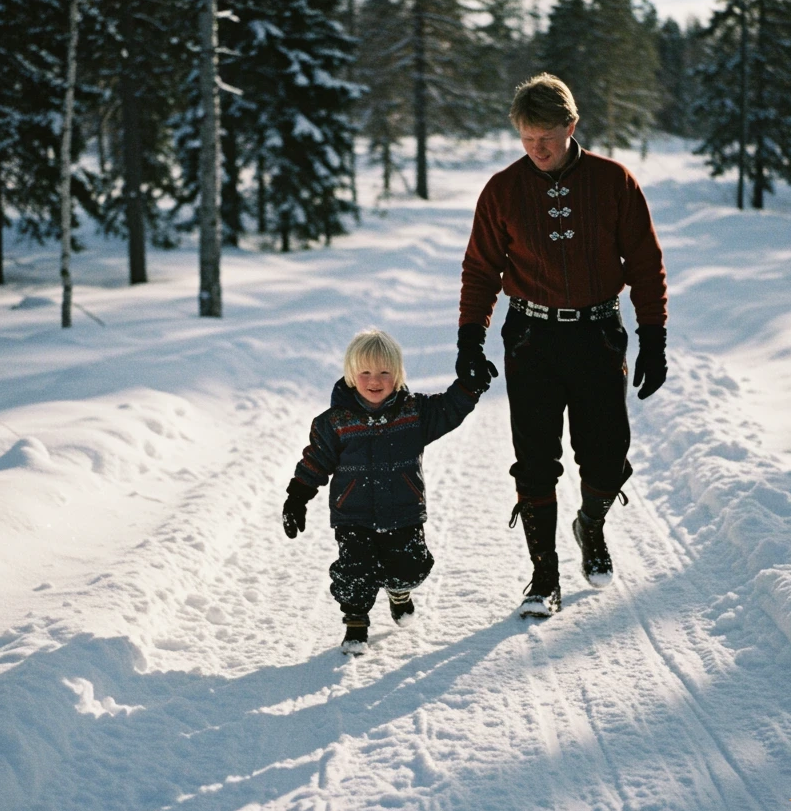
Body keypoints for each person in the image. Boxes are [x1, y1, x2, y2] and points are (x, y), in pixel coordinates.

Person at [455, 73, 668, 617]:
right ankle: (543, 575)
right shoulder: (503, 189)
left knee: (605, 454)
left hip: (598, 334)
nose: (537, 149)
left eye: (546, 136)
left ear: (572, 126)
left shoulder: (613, 181)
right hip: (531, 337)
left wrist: (654, 337)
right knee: (535, 459)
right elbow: (480, 270)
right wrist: (469, 339)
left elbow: (645, 265)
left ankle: (590, 524)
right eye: (527, 139)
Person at [282, 328, 487, 654]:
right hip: (354, 516)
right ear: (351, 375)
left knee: (409, 568)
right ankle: (355, 623)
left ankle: (400, 591)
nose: (374, 380)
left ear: (398, 374)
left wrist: (470, 386)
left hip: (403, 511)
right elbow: (315, 462)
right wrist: (297, 498)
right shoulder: (334, 422)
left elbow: (449, 409)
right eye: (365, 372)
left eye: (384, 372)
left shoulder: (413, 413)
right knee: (355, 573)